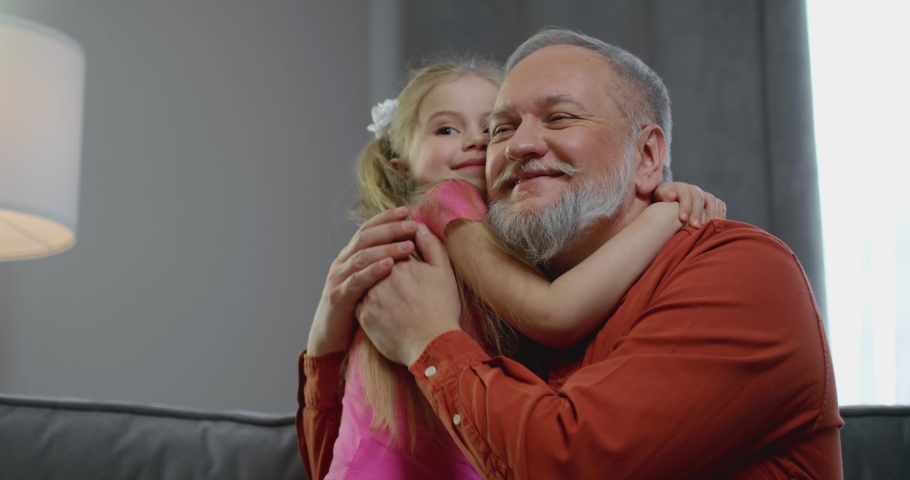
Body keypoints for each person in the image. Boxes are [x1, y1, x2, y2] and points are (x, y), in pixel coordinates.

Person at [350, 28, 844, 479]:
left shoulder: (744, 272)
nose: (516, 144)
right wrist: (330, 330)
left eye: (559, 117)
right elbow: (362, 452)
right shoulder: (509, 305)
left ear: (647, 157)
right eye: (502, 129)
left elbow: (568, 464)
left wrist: (429, 342)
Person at [298, 56, 726, 480]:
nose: (474, 141)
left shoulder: (512, 235)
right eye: (447, 128)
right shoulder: (446, 199)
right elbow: (554, 313)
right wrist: (661, 215)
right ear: (400, 163)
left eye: (494, 129)